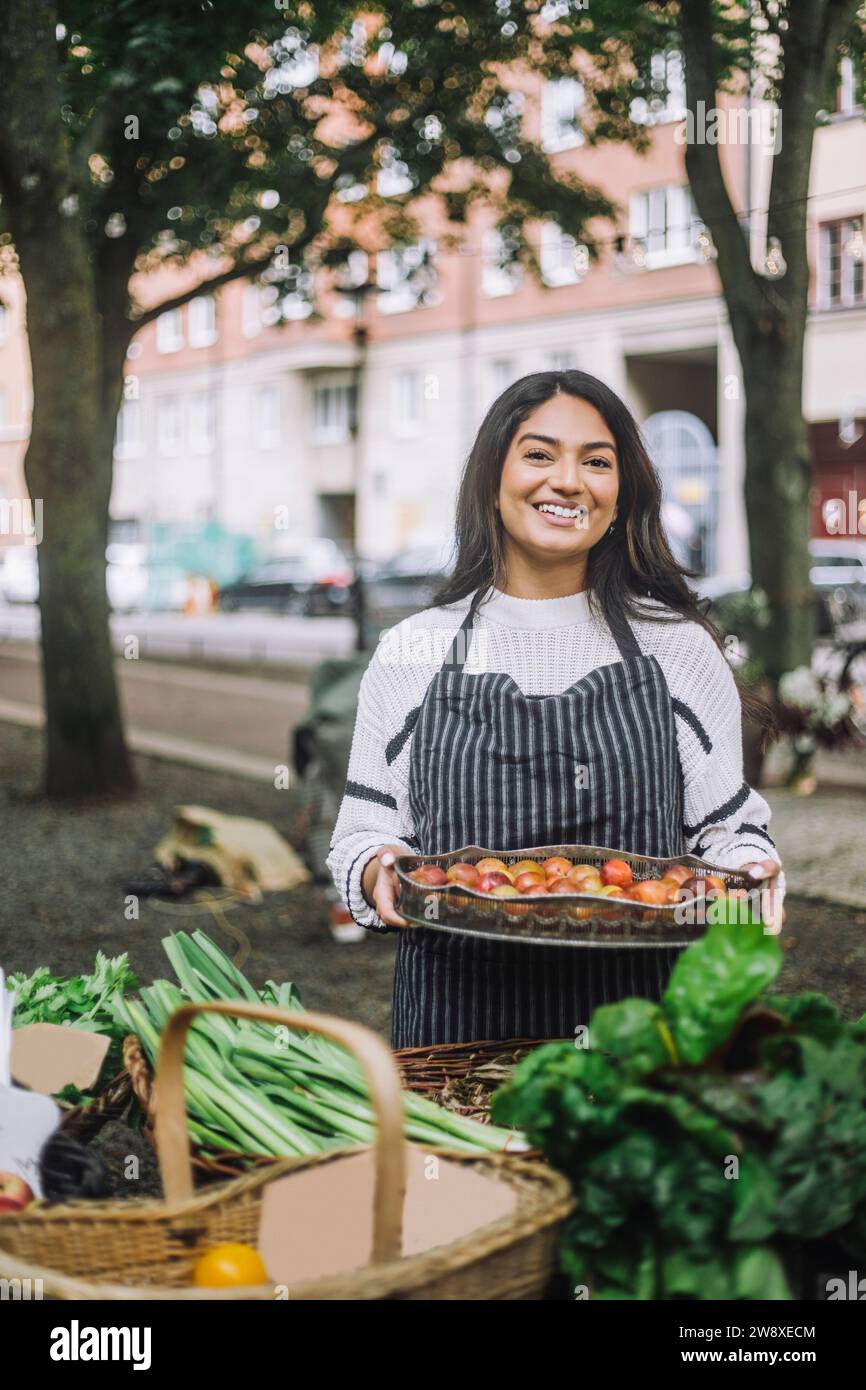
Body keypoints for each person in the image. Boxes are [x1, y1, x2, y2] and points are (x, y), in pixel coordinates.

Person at [327, 371, 784, 1048]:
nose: (568, 481)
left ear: (621, 492)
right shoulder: (412, 651)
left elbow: (731, 835)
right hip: (452, 1035)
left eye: (597, 462)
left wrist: (751, 877)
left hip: (642, 1042)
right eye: (539, 454)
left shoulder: (679, 650)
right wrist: (376, 869)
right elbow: (361, 835)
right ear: (492, 477)